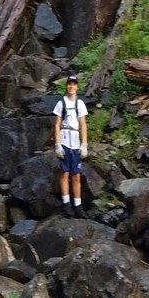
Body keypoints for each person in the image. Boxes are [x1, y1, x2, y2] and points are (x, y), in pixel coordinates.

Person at [53, 72, 89, 217]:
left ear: (77, 87)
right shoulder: (61, 103)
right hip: (65, 140)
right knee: (65, 173)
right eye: (69, 84)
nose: (71, 87)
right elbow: (56, 125)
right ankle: (67, 204)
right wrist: (57, 144)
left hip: (75, 142)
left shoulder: (79, 103)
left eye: (73, 84)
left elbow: (83, 125)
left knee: (76, 175)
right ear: (66, 86)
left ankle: (78, 205)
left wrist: (84, 144)